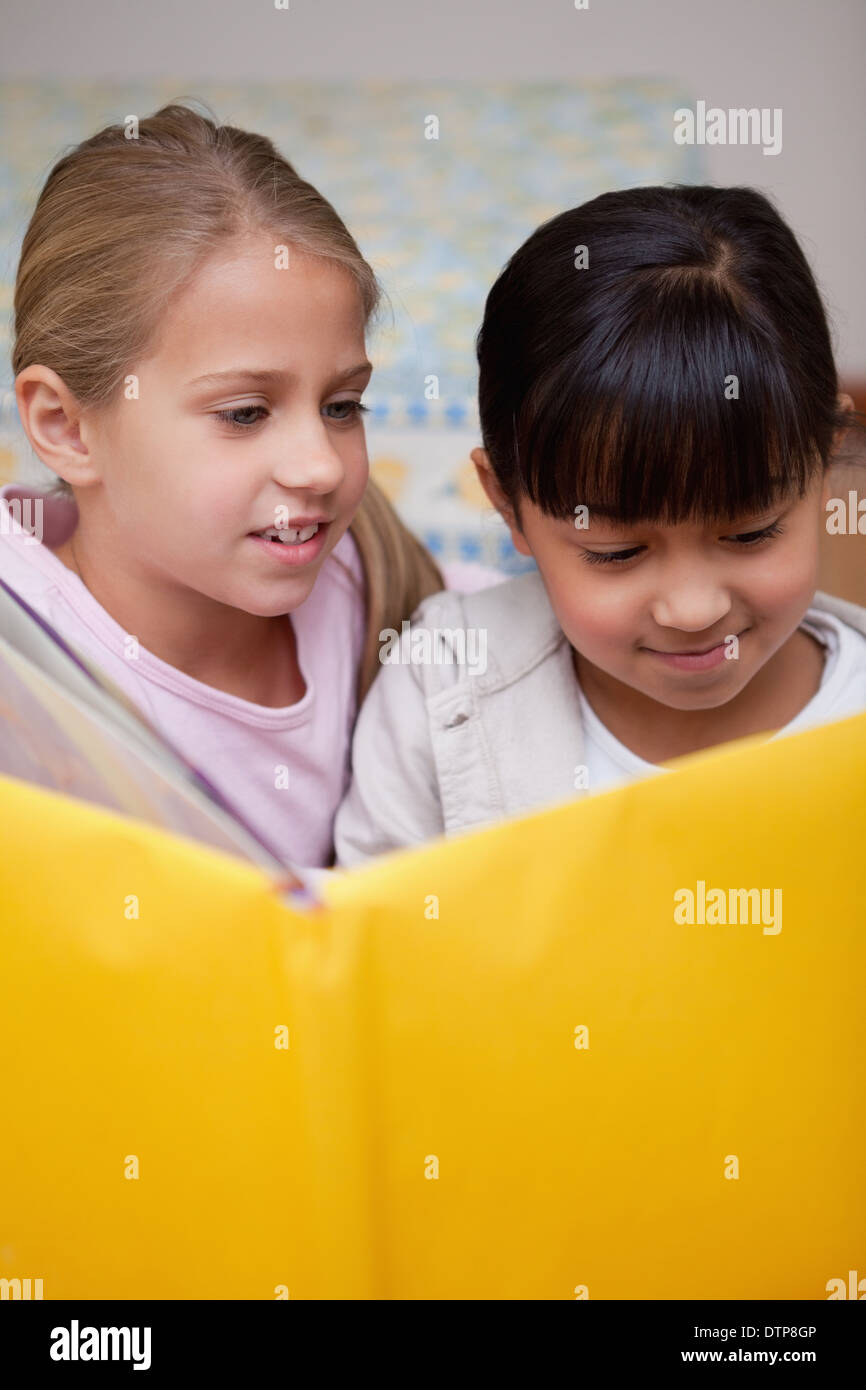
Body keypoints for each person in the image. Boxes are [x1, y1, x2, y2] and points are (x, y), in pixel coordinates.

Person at [1, 99, 478, 872]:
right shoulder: (22, 673)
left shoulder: (376, 581)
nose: (320, 465)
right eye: (246, 412)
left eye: (342, 406)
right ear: (66, 427)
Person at [334, 184, 866, 866]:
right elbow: (371, 945)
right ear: (508, 506)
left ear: (824, 467)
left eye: (750, 533)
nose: (692, 609)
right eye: (615, 553)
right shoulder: (443, 688)